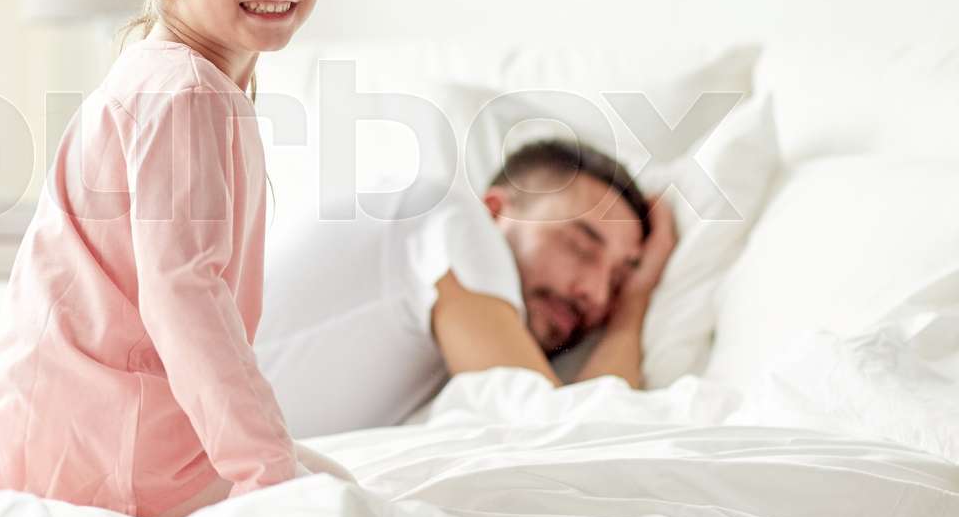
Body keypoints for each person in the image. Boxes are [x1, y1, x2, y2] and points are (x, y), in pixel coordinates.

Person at [0, 0, 352, 517]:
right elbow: (186, 299)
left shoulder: (167, 79)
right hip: (107, 460)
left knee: (340, 488)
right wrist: (267, 473)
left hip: (44, 445)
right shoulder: (187, 94)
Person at [253, 138, 678, 439]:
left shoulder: (444, 343)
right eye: (580, 245)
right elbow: (563, 438)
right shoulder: (450, 216)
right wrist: (633, 306)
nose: (597, 294)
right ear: (494, 210)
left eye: (618, 280)